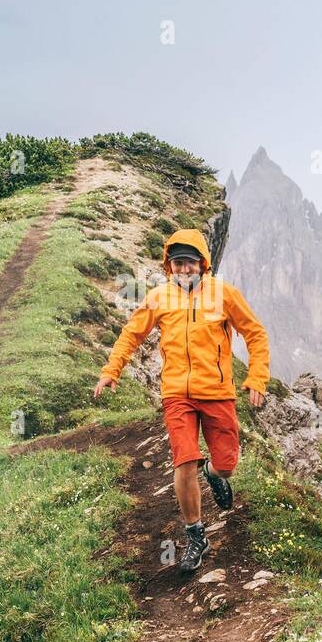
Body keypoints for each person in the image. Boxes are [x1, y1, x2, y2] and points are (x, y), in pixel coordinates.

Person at [93, 228, 270, 573]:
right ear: (169, 266)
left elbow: (255, 333)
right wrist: (111, 370)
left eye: (189, 263)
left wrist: (257, 376)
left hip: (217, 393)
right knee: (183, 462)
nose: (183, 269)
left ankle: (213, 473)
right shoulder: (159, 298)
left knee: (227, 464)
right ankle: (196, 535)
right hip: (177, 395)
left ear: (203, 264)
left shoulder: (224, 295)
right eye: (177, 264)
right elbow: (132, 333)